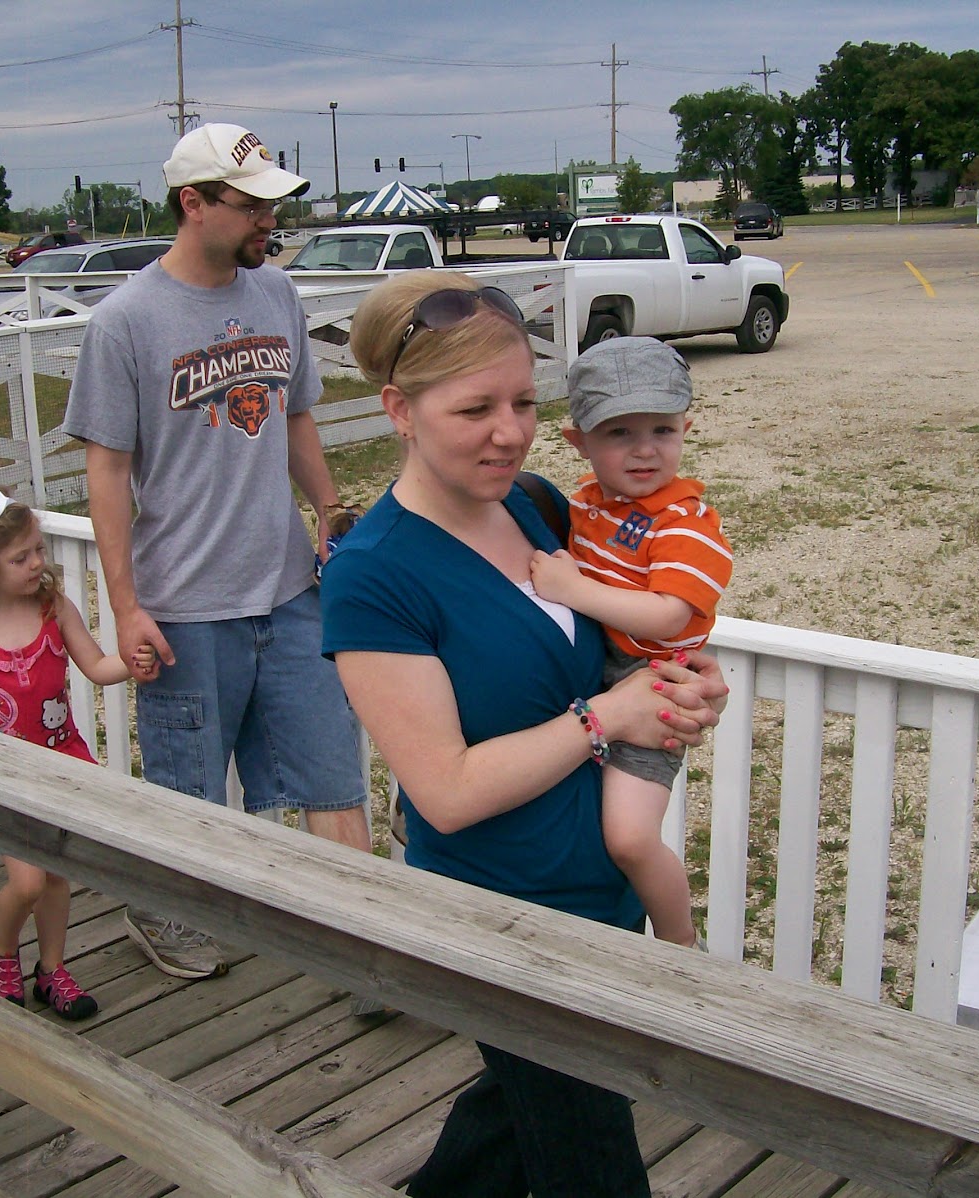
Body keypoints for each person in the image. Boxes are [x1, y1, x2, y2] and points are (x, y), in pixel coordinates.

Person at [319, 271, 729, 1198]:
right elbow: (447, 793)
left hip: (600, 890)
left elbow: (625, 646)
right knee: (593, 1165)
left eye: (524, 403)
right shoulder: (373, 576)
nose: (510, 433)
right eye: (475, 409)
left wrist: (685, 688)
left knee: (510, 1123)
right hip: (512, 924)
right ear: (400, 409)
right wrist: (605, 718)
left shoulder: (538, 506)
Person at [62, 122, 373, 985]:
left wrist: (329, 508)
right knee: (189, 797)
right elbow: (106, 472)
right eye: (252, 204)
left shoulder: (276, 293)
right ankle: (161, 911)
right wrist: (126, 608)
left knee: (332, 776)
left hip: (291, 590)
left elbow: (296, 415)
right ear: (193, 203)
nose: (270, 220)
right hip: (185, 608)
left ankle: (363, 952)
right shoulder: (124, 322)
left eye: (275, 203)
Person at [0, 486, 150, 1019]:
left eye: (38, 550)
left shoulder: (53, 609)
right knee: (27, 882)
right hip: (0, 774)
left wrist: (132, 663)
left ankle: (51, 969)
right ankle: (1, 951)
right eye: (20, 557)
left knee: (57, 875)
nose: (37, 563)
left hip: (59, 760)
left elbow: (96, 666)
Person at [527, 338, 731, 948]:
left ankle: (679, 944)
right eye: (620, 432)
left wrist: (574, 589)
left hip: (655, 684)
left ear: (685, 429)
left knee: (631, 838)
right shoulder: (589, 505)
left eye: (662, 429)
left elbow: (669, 615)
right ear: (579, 443)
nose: (645, 449)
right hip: (599, 677)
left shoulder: (684, 521)